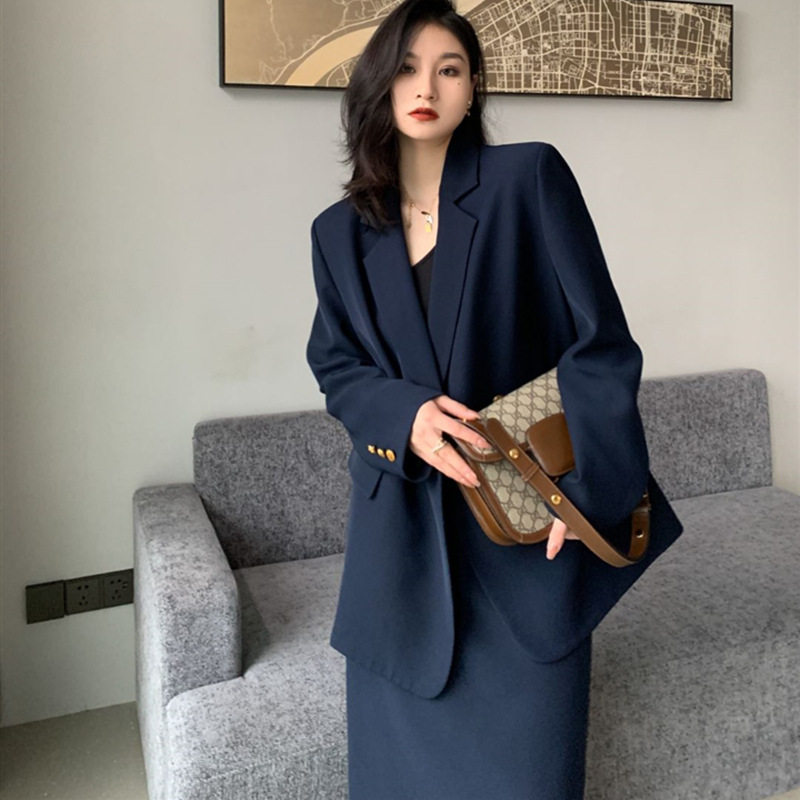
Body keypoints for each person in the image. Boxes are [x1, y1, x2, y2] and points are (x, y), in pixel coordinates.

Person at [305, 1, 684, 797]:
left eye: (448, 69)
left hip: (522, 541)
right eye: (407, 69)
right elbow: (336, 364)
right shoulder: (337, 232)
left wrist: (592, 495)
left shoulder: (527, 179)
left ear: (473, 86)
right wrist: (403, 416)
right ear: (378, 85)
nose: (426, 87)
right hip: (400, 559)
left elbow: (601, 345)